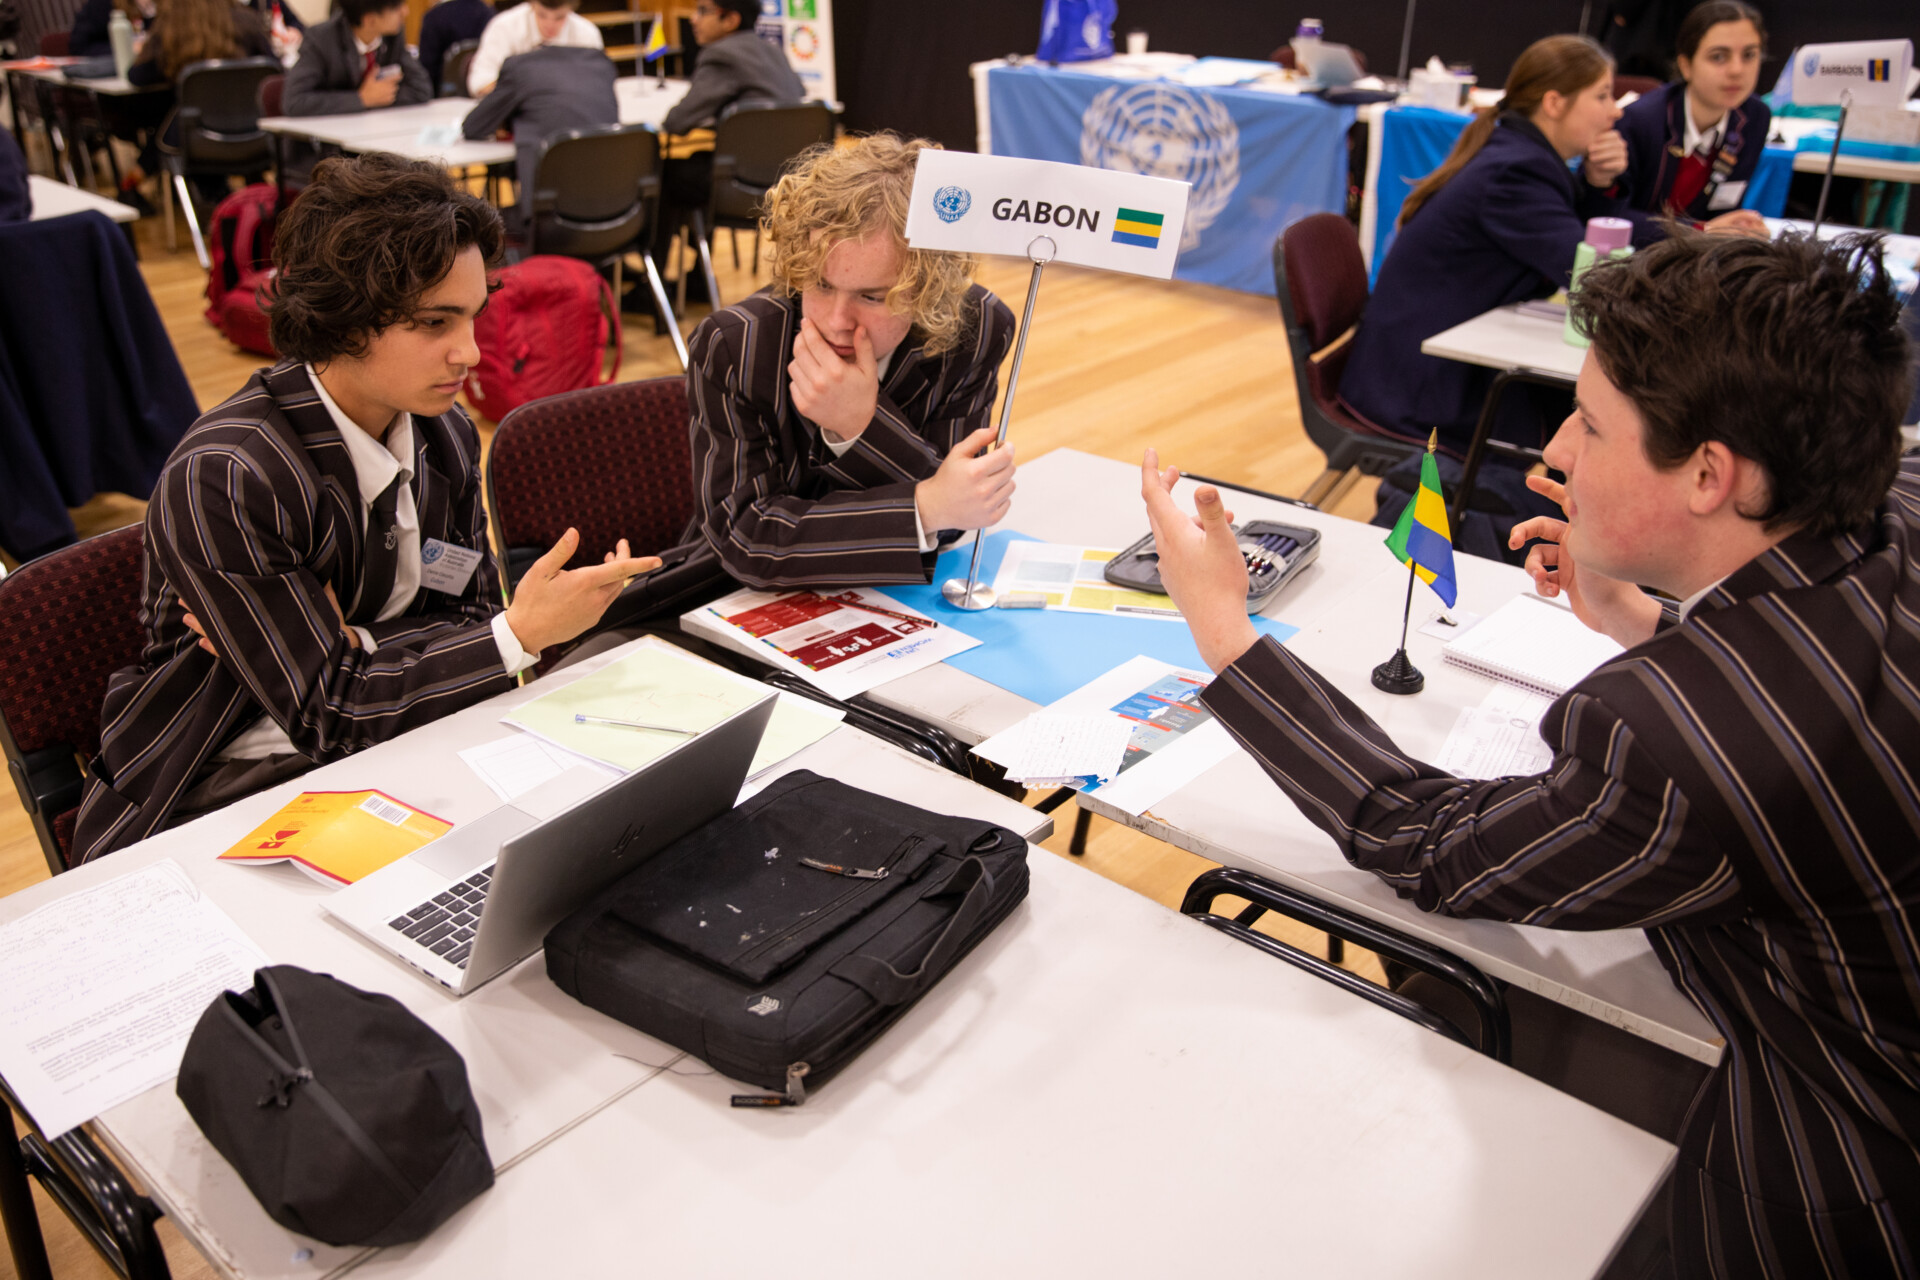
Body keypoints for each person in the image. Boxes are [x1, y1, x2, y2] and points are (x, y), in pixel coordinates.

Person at [1141, 229, 1919, 1277]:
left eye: (1594, 426)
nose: (1555, 450)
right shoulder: (1893, 509)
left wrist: (1228, 631)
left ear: (1709, 473)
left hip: (1854, 1183)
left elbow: (1428, 842)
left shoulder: (1673, 739)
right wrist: (1647, 620)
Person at [72, 154, 658, 864]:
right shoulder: (229, 476)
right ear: (345, 319)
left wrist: (358, 643)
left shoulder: (438, 431)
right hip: (221, 782)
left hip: (395, 741)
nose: (469, 352)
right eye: (434, 323)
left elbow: (459, 616)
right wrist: (517, 635)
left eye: (473, 316)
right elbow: (334, 713)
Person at [684, 133, 1016, 589]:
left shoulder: (977, 328)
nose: (837, 321)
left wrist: (863, 424)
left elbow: (959, 512)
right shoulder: (737, 344)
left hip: (899, 599)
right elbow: (747, 540)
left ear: (928, 292)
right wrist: (922, 506)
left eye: (871, 296)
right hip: (734, 597)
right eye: (819, 285)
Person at [1342, 35, 1628, 462]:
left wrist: (1600, 185)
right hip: (1421, 390)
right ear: (1554, 103)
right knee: (1595, 417)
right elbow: (1589, 273)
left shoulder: (1518, 153)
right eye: (1602, 95)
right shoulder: (1517, 172)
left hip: (1412, 370)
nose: (1615, 111)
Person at [654, 0, 804, 279]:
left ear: (730, 20)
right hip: (787, 182)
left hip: (741, 187)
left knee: (665, 173)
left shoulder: (721, 55)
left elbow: (677, 123)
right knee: (701, 163)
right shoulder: (773, 51)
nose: (693, 19)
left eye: (702, 11)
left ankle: (654, 284)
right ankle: (698, 276)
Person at [1610, 0, 1771, 244]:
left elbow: (1722, 208)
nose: (1737, 70)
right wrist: (1699, 231)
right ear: (1686, 65)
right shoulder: (1639, 121)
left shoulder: (1754, 117)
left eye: (1749, 55)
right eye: (1719, 57)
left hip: (1698, 263)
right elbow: (1610, 217)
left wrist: (1739, 228)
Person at [459, 44, 616, 229]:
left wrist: (511, 118)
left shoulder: (520, 68)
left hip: (550, 226)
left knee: (479, 223)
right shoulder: (600, 65)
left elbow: (473, 127)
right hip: (618, 218)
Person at [283, 0, 430, 117]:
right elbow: (295, 102)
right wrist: (361, 99)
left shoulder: (392, 35)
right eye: (396, 7)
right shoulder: (321, 39)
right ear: (370, 20)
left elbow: (421, 89)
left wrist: (379, 96)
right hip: (329, 145)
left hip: (375, 131)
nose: (405, 12)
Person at [466, 0, 600, 98]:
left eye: (559, 18)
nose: (549, 25)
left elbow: (598, 87)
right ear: (532, 5)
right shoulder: (504, 27)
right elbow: (479, 84)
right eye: (542, 15)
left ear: (571, 9)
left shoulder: (586, 33)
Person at [418, 0, 492, 93]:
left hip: (443, 98)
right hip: (484, 95)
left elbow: (426, 72)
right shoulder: (490, 14)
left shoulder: (433, 18)